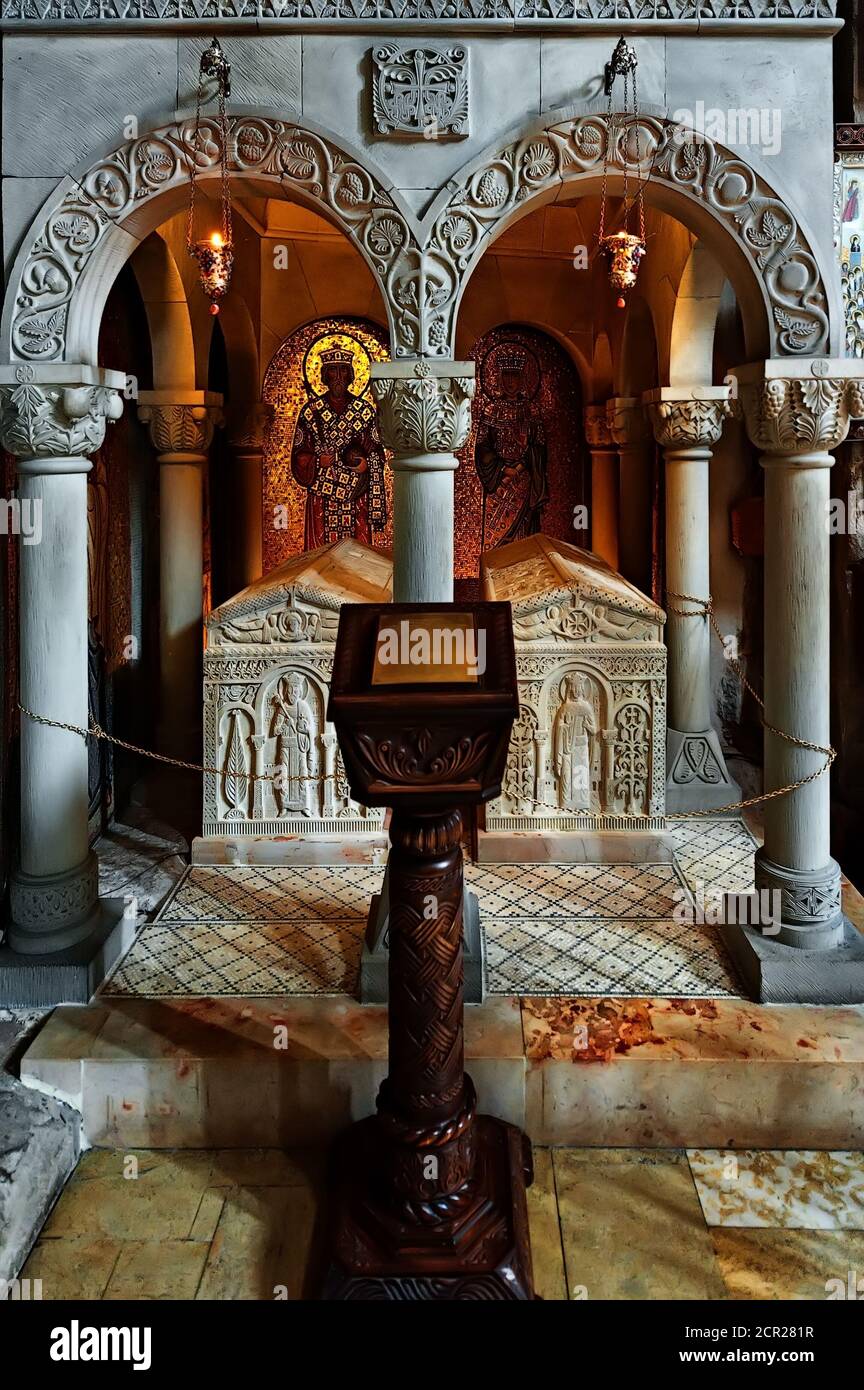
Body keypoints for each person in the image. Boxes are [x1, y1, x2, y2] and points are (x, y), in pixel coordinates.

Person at [291, 345, 387, 548]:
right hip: (322, 497)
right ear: (325, 375)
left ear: (351, 374)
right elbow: (299, 455)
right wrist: (317, 461)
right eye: (333, 370)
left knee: (357, 558)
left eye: (343, 370)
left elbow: (377, 452)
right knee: (320, 557)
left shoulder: (364, 412)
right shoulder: (311, 412)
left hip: (355, 495)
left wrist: (366, 464)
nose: (338, 377)